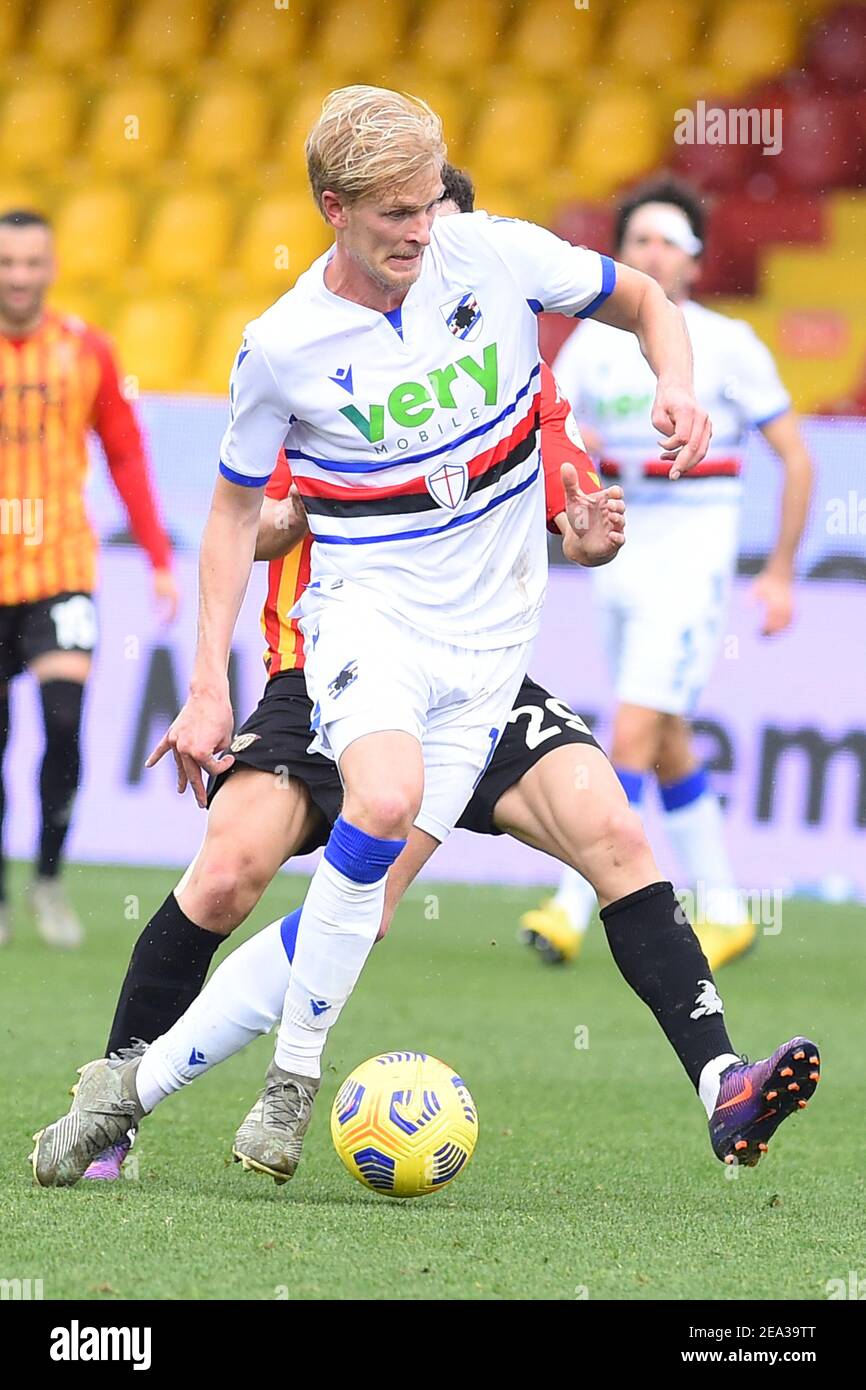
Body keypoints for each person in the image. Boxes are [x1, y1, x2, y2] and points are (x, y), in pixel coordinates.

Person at [31, 88, 815, 1188]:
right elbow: (235, 516)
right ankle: (140, 1088)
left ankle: (722, 1084)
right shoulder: (289, 348)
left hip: (486, 662)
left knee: (606, 833)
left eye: (432, 207)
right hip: (341, 653)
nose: (422, 231)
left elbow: (590, 460)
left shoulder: (503, 306)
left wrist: (611, 488)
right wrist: (208, 682)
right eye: (398, 213)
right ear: (333, 209)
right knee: (232, 874)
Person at [522, 177, 814, 971]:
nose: (652, 254)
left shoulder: (728, 345)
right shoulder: (593, 346)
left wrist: (780, 572)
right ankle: (723, 909)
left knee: (634, 729)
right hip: (618, 563)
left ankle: (571, 904)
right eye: (639, 241)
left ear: (694, 261)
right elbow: (551, 436)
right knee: (668, 737)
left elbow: (796, 460)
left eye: (668, 243)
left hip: (692, 566)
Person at [0, 209, 179, 948]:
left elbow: (126, 456)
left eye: (30, 263)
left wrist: (160, 558)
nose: (17, 276)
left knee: (64, 723)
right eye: (6, 263)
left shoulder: (87, 351)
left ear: (53, 266)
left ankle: (47, 880)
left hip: (62, 569)